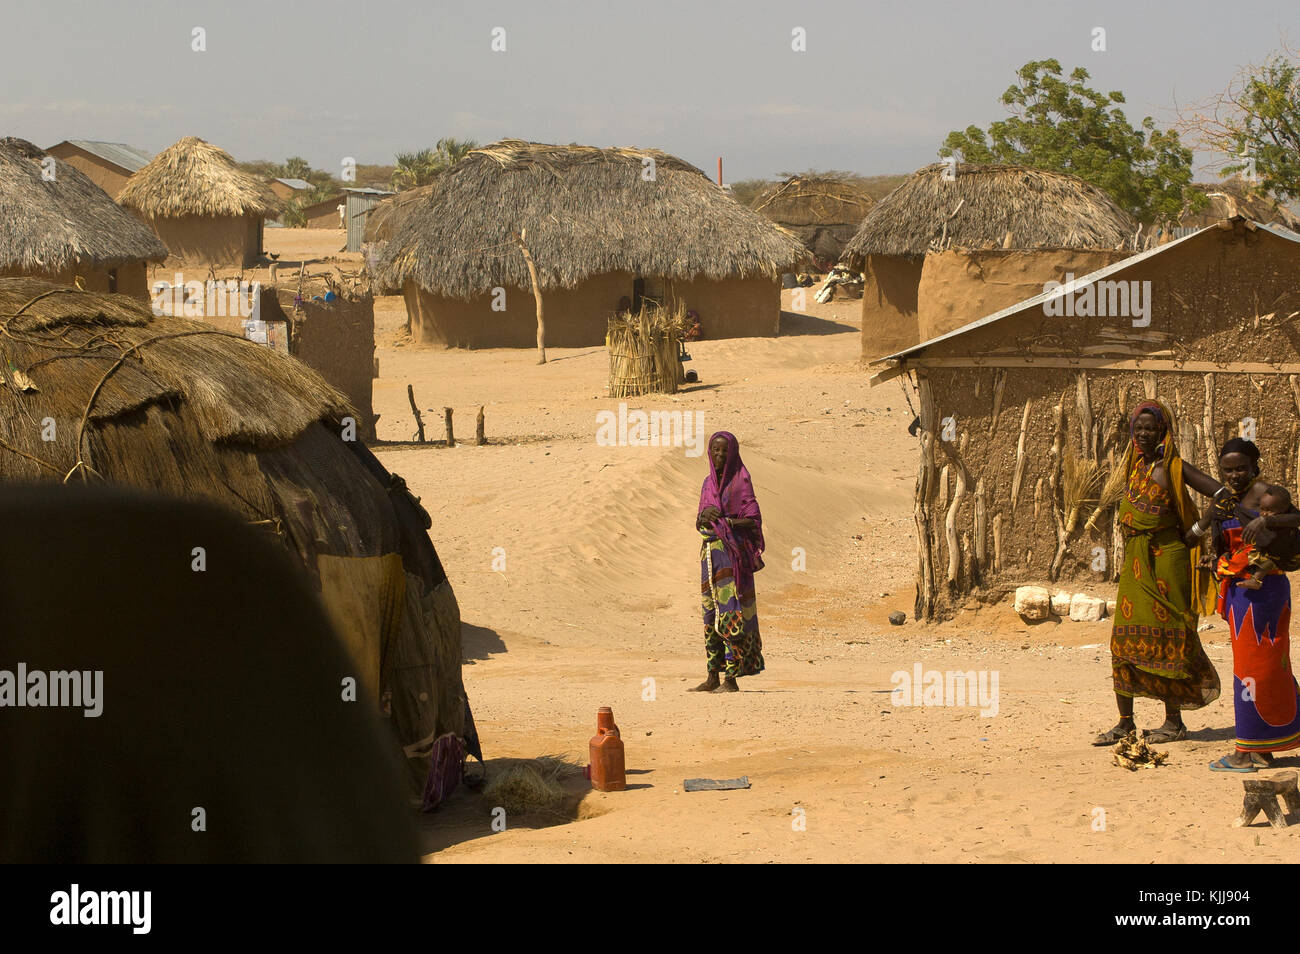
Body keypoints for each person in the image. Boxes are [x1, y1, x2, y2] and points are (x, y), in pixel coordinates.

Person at [1093, 400, 1222, 746]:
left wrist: (1197, 529)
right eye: (1140, 428)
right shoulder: (1134, 466)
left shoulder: (1174, 468)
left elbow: (1223, 494)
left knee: (1168, 640)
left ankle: (1174, 722)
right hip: (1136, 565)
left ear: (1163, 431)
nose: (1145, 434)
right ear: (1133, 432)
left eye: (1152, 428)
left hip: (1169, 561)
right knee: (1123, 642)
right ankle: (1124, 723)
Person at [1195, 439, 1300, 771]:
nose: (1235, 475)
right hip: (1240, 591)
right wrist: (1213, 556)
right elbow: (1216, 535)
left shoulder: (1269, 496)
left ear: (1255, 466)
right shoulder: (1225, 500)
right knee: (1267, 667)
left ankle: (1245, 752)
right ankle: (1266, 746)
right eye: (1228, 470)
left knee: (1254, 670)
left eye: (1241, 468)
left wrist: (1267, 521)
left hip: (1263, 590)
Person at [691, 431, 765, 693]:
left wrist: (725, 521)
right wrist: (704, 516)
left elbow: (753, 519)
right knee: (710, 614)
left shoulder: (741, 481)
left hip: (732, 558)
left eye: (724, 451)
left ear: (732, 454)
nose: (720, 455)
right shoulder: (707, 484)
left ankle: (731, 679)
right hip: (709, 557)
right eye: (715, 451)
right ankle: (712, 674)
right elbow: (699, 520)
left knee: (731, 614)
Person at [1238, 485, 1300, 589]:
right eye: (1261, 509)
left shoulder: (1285, 526)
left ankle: (1255, 580)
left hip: (1292, 557)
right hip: (1277, 558)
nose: (1264, 513)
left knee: (1265, 557)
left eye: (1269, 510)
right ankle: (1255, 580)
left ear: (1284, 510)